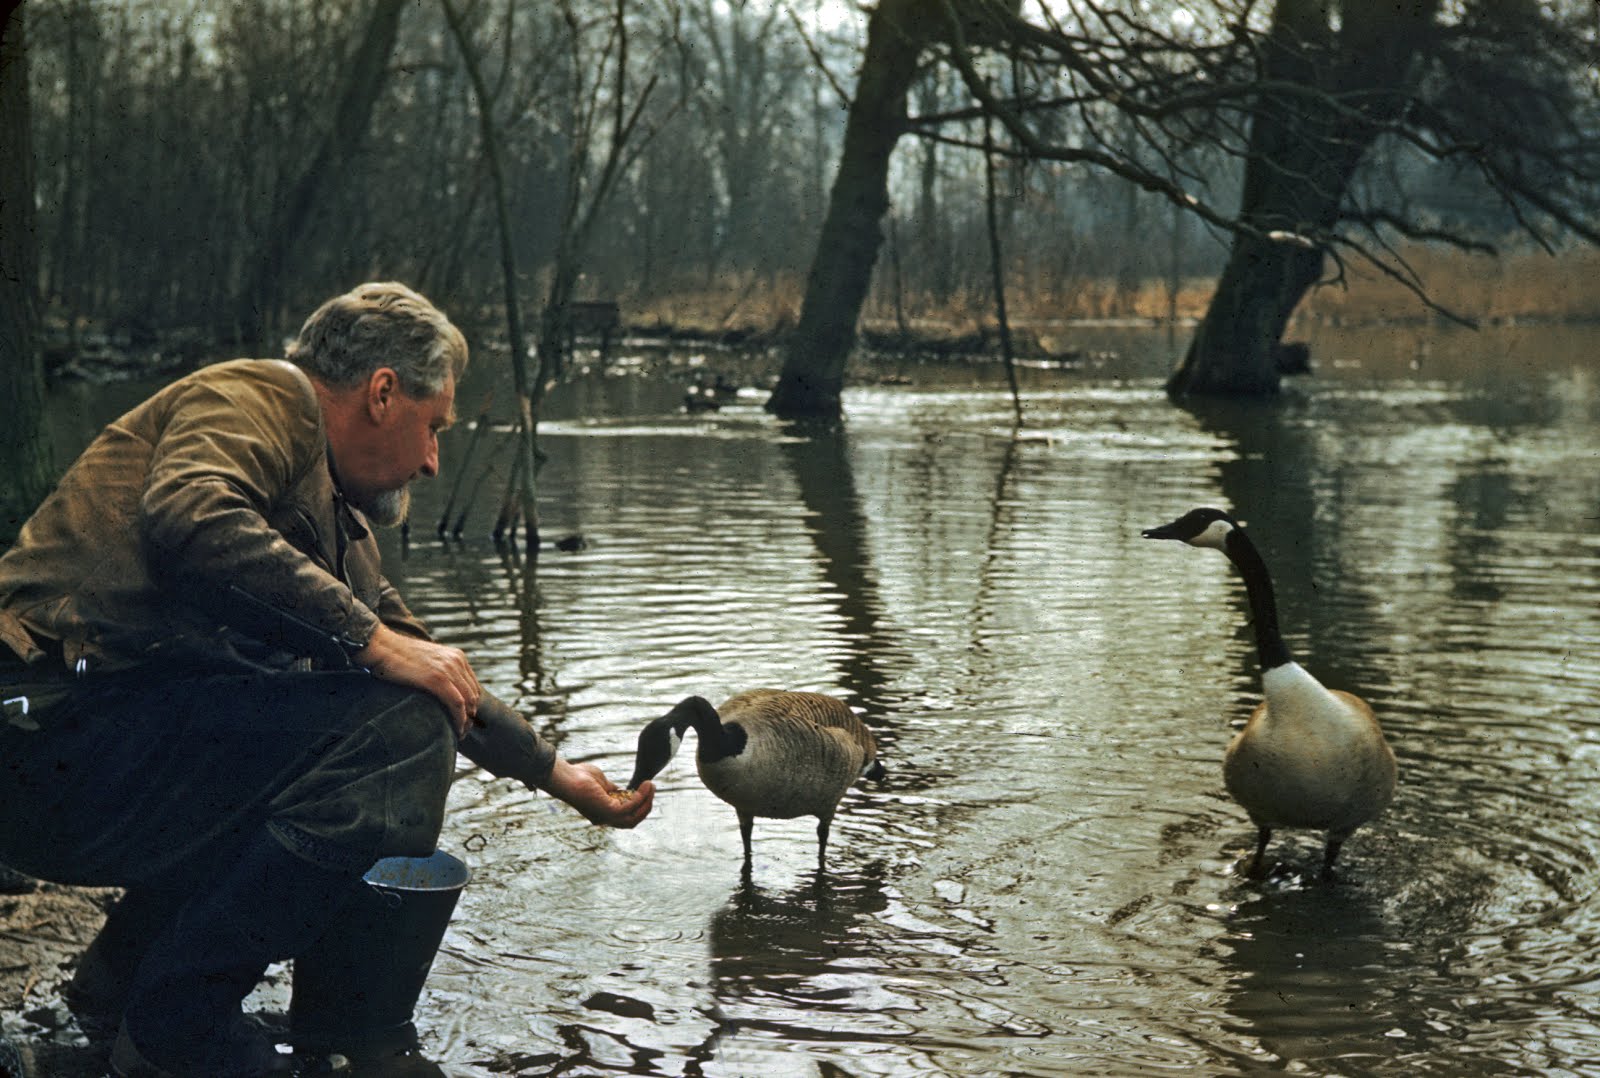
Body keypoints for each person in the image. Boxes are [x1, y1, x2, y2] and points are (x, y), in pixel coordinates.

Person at [0, 282, 654, 1077]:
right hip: (41, 738)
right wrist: (368, 641)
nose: (433, 459)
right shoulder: (259, 396)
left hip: (100, 750)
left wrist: (562, 777)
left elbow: (437, 678)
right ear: (383, 392)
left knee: (381, 725)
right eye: (434, 426)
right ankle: (178, 1026)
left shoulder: (336, 522)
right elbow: (192, 517)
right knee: (397, 744)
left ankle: (121, 992)